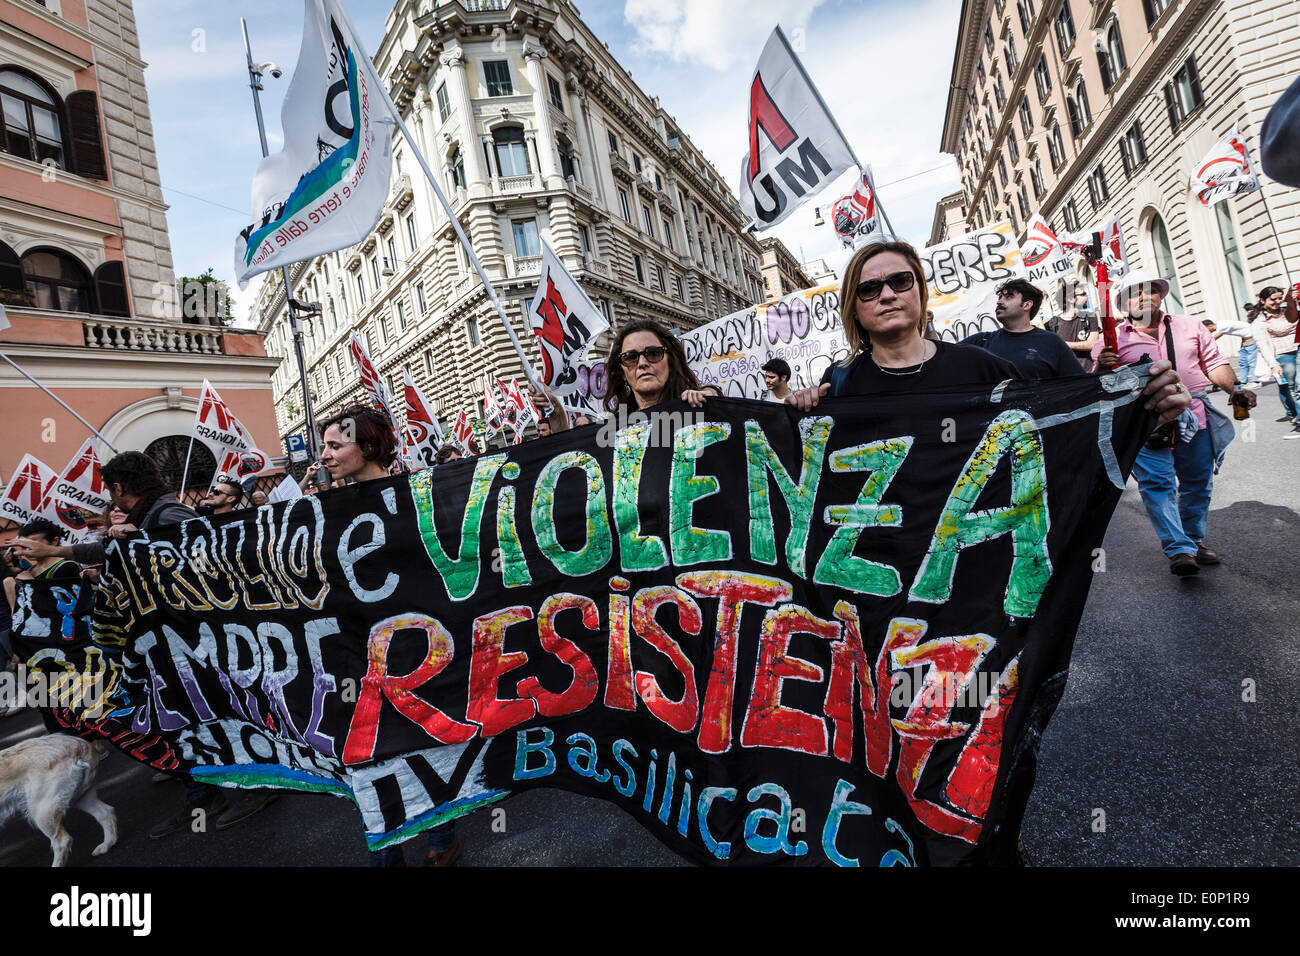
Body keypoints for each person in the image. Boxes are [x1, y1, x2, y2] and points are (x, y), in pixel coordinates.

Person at [9, 451, 277, 833]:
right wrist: (59, 551)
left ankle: (262, 785)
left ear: (118, 487)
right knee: (177, 724)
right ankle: (200, 797)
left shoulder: (167, 516)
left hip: (195, 643)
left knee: (225, 715)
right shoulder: (144, 519)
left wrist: (137, 544)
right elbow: (112, 552)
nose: (109, 498)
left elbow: (207, 560)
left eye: (109, 489)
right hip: (162, 646)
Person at [790, 240, 1188, 422]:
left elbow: (1064, 420)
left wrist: (1144, 402)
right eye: (869, 288)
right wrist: (793, 414)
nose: (888, 295)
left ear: (920, 293)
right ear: (855, 310)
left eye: (901, 281)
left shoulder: (980, 366)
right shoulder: (837, 384)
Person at [319, 404, 461, 867]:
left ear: (368, 446)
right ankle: (389, 850)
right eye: (324, 446)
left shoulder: (417, 495)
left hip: (415, 651)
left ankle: (441, 840)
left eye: (335, 445)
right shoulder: (324, 510)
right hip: (354, 657)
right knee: (368, 755)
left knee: (425, 748)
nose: (324, 455)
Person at [1094, 269, 1256, 576]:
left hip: (1195, 414)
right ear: (1123, 305)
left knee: (1197, 482)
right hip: (1145, 421)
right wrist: (1101, 368)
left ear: (1160, 295)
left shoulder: (1190, 325)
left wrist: (1234, 389)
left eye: (1149, 290)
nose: (1142, 297)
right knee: (1157, 484)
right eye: (1134, 293)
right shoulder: (1112, 340)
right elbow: (1100, 387)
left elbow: (1214, 363)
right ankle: (1178, 548)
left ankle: (1192, 540)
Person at [962, 278, 1081, 378]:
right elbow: (945, 357)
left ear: (1027, 305)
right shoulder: (980, 342)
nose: (999, 302)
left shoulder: (1051, 342)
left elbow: (1078, 384)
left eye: (1008, 297)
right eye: (1000, 297)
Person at [603, 318, 721, 413]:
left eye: (653, 353)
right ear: (622, 372)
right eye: (630, 357)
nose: (642, 363)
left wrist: (714, 400)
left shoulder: (698, 412)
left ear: (670, 362)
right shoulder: (613, 430)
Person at [1249, 284, 1300, 431]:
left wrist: (1291, 299)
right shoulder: (1259, 321)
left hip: (1298, 348)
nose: (1277, 302)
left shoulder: (1287, 311)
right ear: (1263, 300)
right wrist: (1273, 364)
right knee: (1289, 386)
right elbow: (1262, 345)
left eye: (1279, 298)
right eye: (1273, 299)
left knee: (1297, 385)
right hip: (1282, 355)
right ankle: (1294, 414)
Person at [1050, 286, 1102, 372]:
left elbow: (1092, 344)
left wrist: (1065, 344)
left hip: (1091, 372)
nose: (1087, 296)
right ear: (1070, 299)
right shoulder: (1053, 323)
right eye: (1083, 294)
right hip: (1068, 376)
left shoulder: (1090, 316)